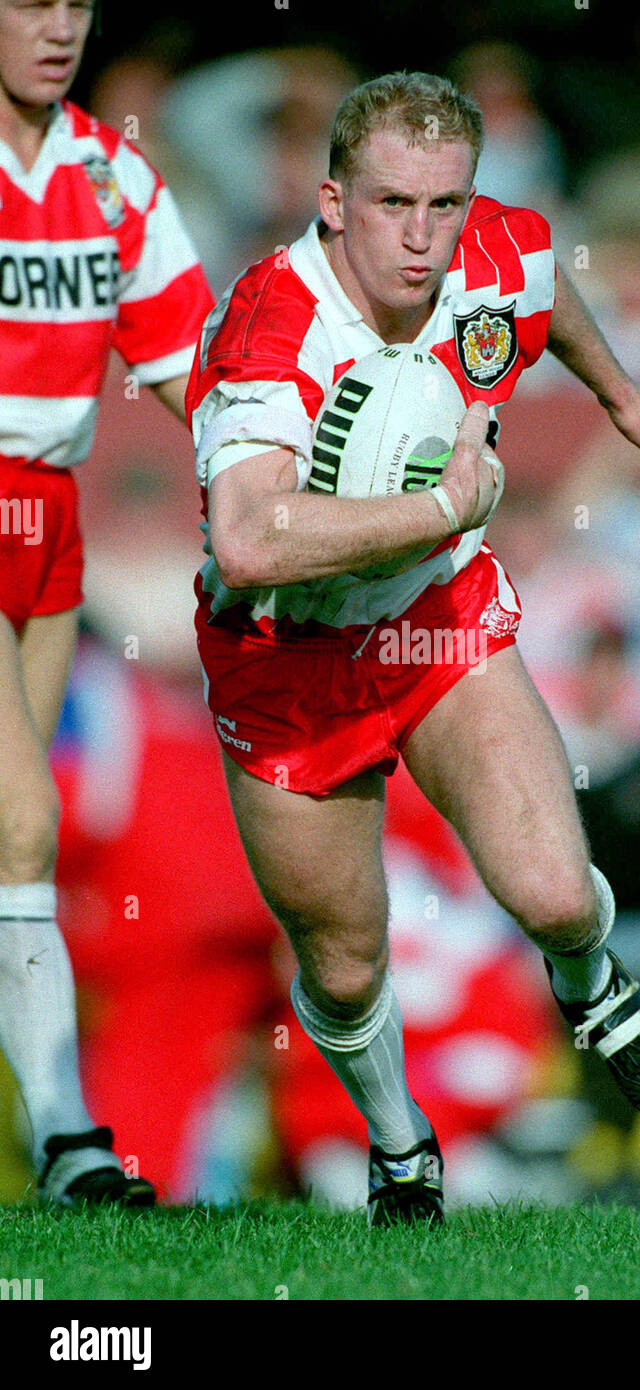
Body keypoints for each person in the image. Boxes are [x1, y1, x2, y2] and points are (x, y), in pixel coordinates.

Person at [186, 71, 640, 1226]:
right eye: (389, 205)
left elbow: (538, 282)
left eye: (443, 205)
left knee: (555, 892)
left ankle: (590, 984)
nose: (421, 238)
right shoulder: (271, 322)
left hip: (433, 615)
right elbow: (251, 535)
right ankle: (397, 1141)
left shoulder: (492, 242)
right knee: (346, 965)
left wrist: (620, 396)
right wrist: (444, 508)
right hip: (285, 658)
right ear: (330, 199)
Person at [0, 0, 214, 1205]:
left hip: (49, 513)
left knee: (10, 843)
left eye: (74, 0)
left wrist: (283, 478)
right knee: (22, 819)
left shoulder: (110, 170)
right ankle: (73, 1141)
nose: (57, 24)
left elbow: (189, 362)